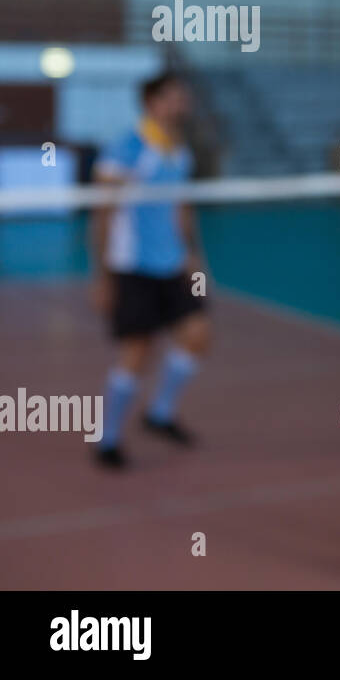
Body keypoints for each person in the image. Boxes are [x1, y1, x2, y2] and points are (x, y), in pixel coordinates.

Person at [90, 70, 210, 469]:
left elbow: (182, 206)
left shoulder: (180, 149)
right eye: (175, 97)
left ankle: (159, 412)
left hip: (174, 264)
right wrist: (103, 276)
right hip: (132, 266)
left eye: (184, 96)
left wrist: (195, 257)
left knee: (197, 334)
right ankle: (107, 439)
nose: (183, 103)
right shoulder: (125, 148)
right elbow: (102, 214)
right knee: (137, 352)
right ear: (152, 102)